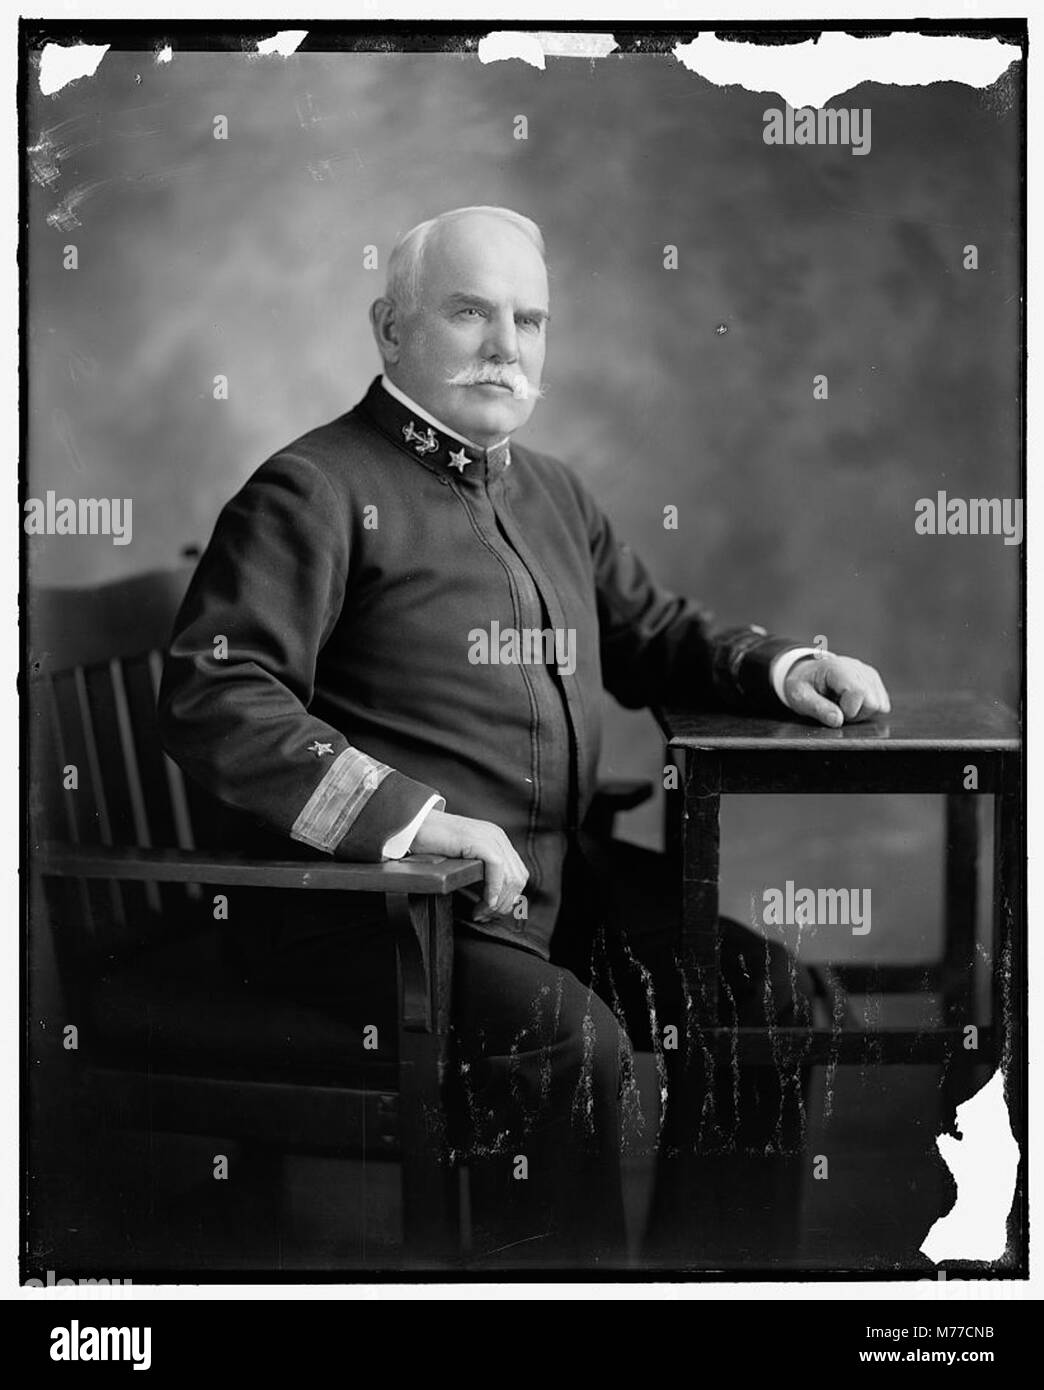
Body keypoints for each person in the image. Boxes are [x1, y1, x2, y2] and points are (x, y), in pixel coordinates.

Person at [158, 205, 890, 1268]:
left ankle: (715, 1283)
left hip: (550, 883)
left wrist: (781, 665)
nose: (507, 346)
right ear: (390, 329)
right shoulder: (311, 490)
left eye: (529, 320)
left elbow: (650, 632)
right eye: (468, 312)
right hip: (378, 913)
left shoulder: (551, 490)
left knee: (763, 993)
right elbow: (215, 697)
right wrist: (418, 822)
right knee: (567, 1051)